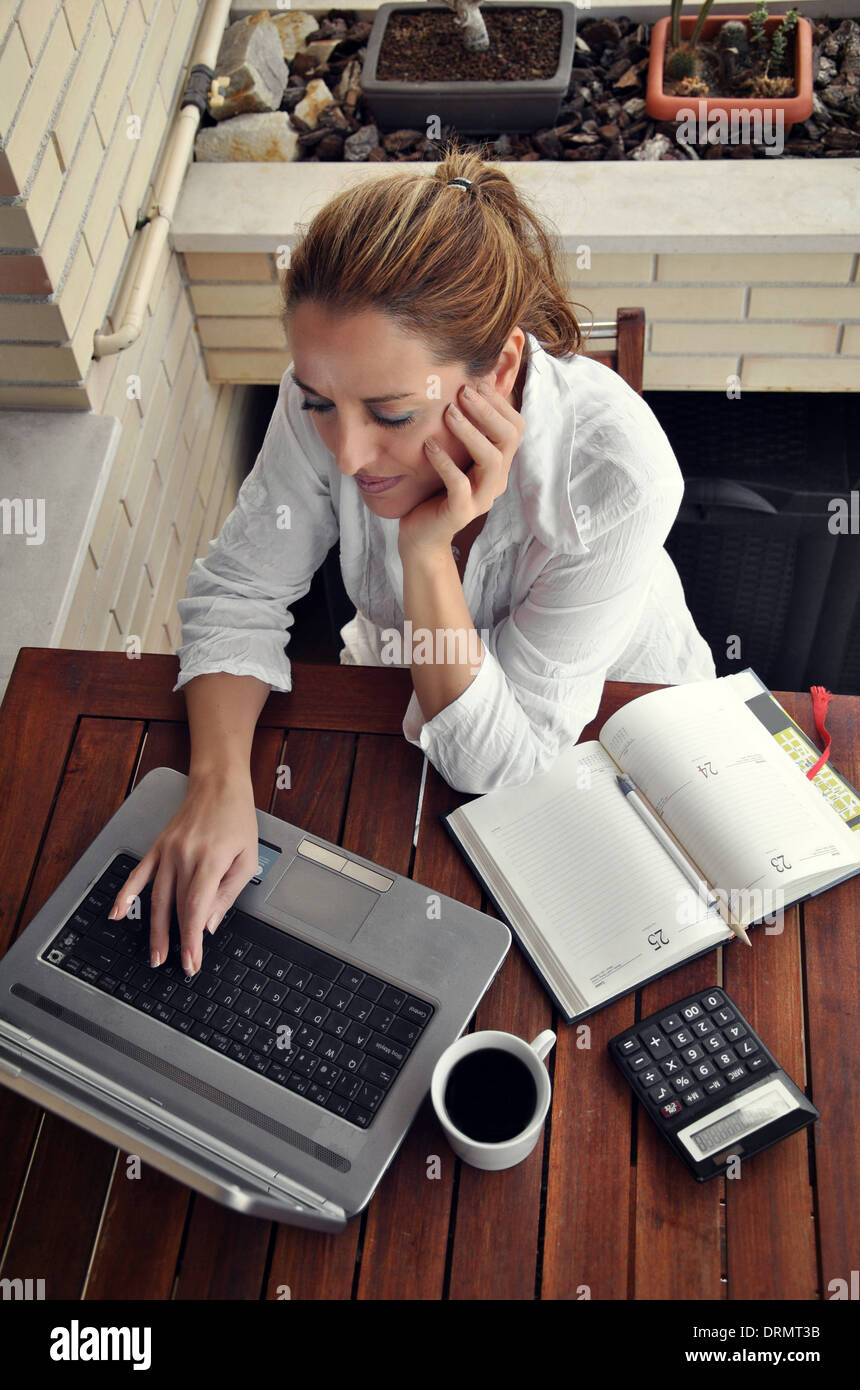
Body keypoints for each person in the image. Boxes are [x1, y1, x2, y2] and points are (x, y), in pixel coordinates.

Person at [109, 140, 716, 977]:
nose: (349, 452)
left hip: (617, 744)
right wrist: (216, 782)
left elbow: (504, 767)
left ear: (500, 366)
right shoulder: (324, 393)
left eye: (391, 413)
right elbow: (239, 591)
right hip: (412, 714)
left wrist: (426, 553)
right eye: (321, 403)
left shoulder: (619, 475)